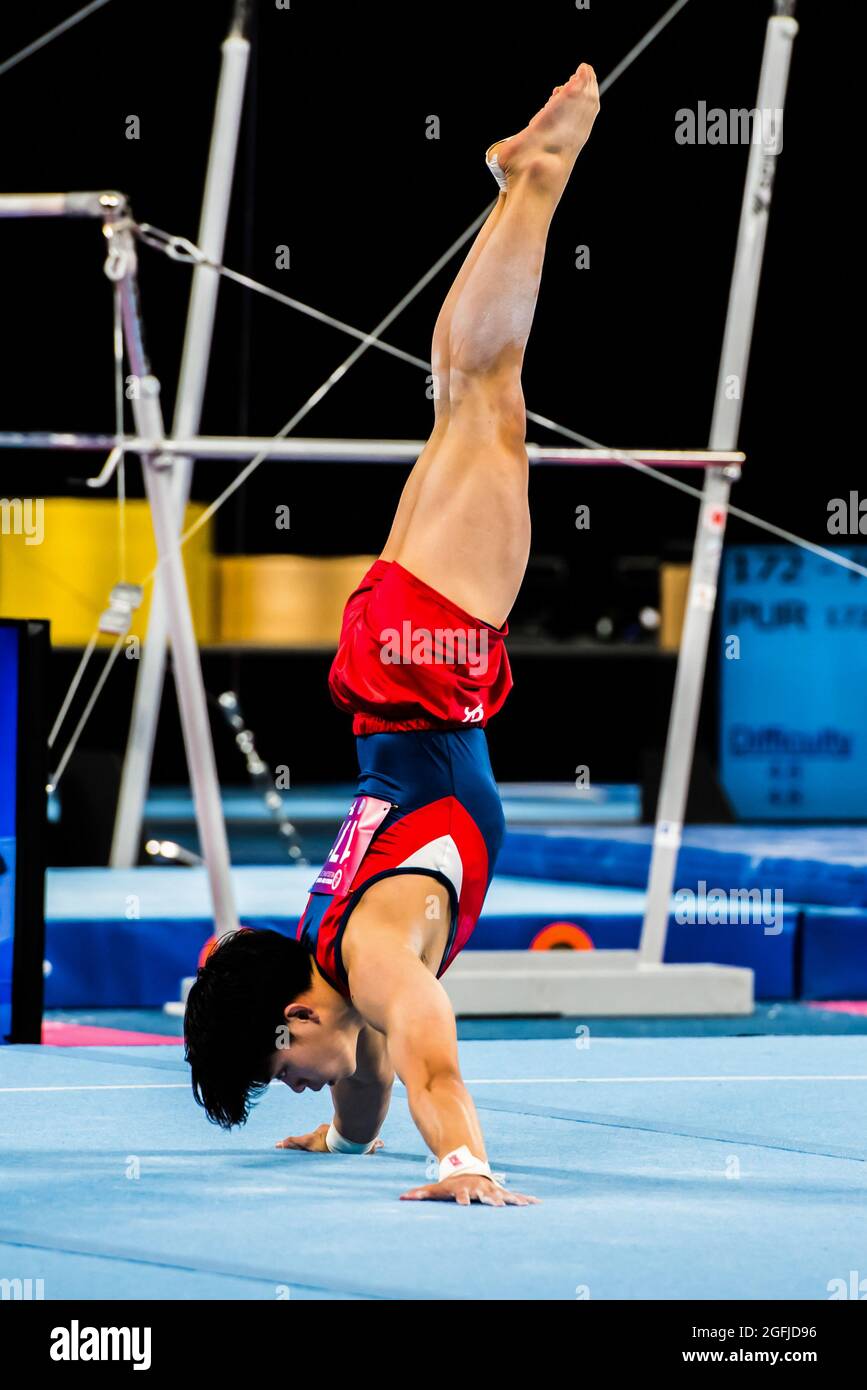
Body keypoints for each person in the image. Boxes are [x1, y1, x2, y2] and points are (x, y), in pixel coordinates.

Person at [185, 64, 601, 1206]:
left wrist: (460, 1156)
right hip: (389, 675)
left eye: (281, 1071)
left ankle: (540, 180)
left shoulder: (367, 958)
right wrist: (350, 1140)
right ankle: (527, 183)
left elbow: (423, 1048)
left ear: (298, 1012)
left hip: (428, 669)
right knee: (460, 392)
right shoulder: (331, 966)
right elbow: (363, 1077)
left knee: (488, 390)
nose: (299, 1083)